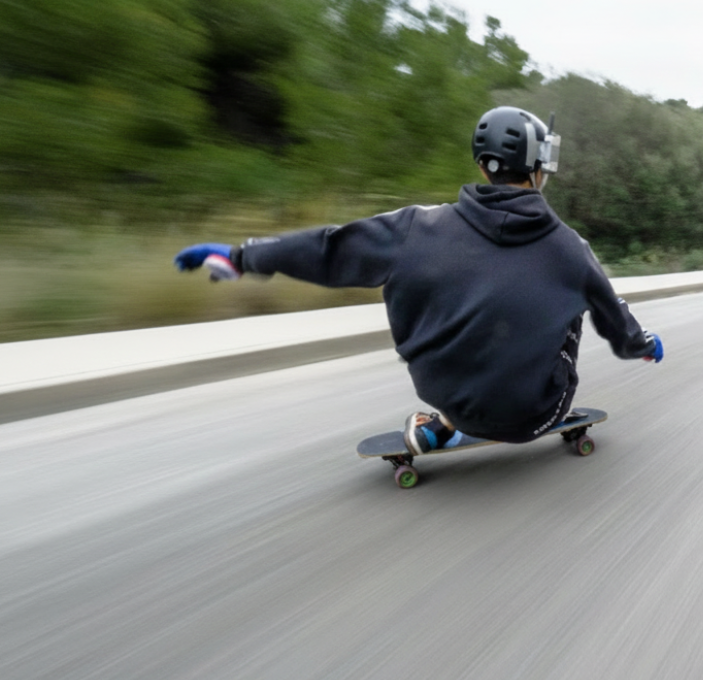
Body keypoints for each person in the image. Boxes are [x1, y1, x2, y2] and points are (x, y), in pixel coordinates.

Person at [174, 106, 663, 454]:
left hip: (447, 397)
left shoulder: (415, 227)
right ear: (538, 170)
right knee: (578, 301)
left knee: (443, 284)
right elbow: (614, 320)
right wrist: (640, 344)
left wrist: (241, 257)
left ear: (481, 165)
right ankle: (515, 398)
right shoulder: (570, 249)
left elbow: (329, 249)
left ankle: (442, 423)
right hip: (534, 415)